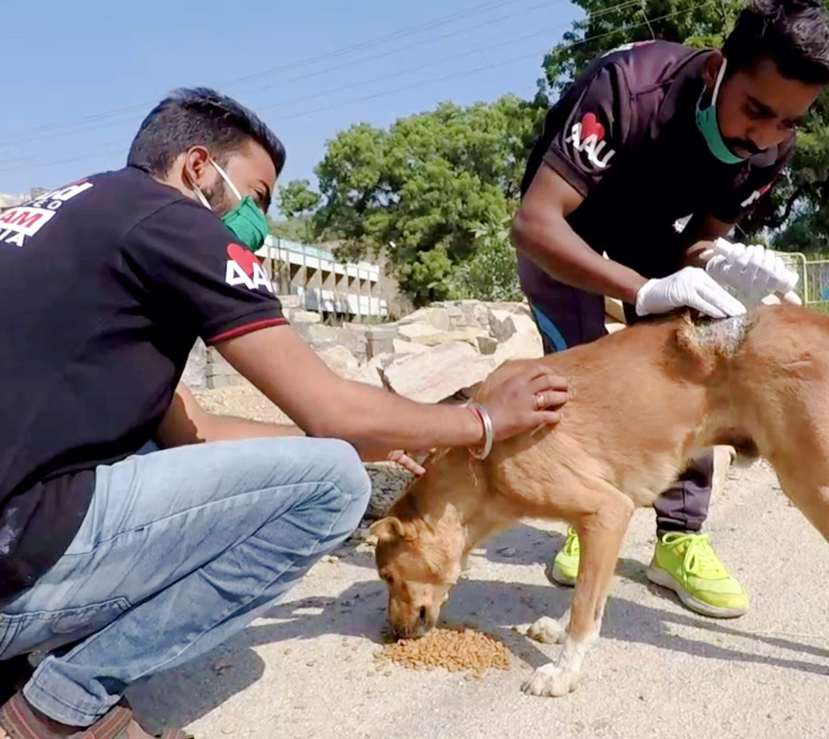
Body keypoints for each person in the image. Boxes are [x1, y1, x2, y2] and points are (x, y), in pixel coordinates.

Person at [0, 88, 569, 738]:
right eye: (259, 195)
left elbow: (196, 432)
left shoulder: (68, 217)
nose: (260, 223)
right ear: (196, 167)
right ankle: (62, 707)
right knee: (333, 487)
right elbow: (329, 409)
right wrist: (484, 421)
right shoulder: (175, 221)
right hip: (13, 565)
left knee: (211, 453)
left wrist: (366, 438)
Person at [511, 0, 829, 619]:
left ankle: (679, 542)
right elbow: (534, 224)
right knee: (578, 373)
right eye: (756, 110)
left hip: (647, 231)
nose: (766, 135)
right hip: (566, 228)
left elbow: (698, 242)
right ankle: (585, 513)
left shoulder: (770, 148)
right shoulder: (625, 88)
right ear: (719, 70)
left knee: (691, 359)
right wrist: (638, 291)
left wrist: (725, 261)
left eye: (789, 122)